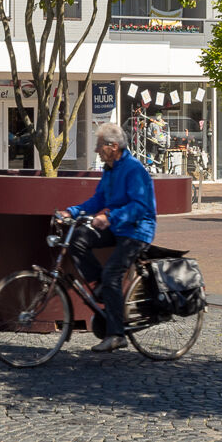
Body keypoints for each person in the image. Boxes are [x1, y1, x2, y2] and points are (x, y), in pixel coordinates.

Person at [56, 121, 157, 354]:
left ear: (113, 146)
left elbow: (141, 207)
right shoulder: (110, 170)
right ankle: (100, 286)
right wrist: (71, 212)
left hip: (137, 230)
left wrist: (111, 217)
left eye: (99, 146)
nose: (96, 151)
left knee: (113, 273)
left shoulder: (133, 169)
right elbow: (98, 200)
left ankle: (116, 334)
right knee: (77, 239)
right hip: (117, 227)